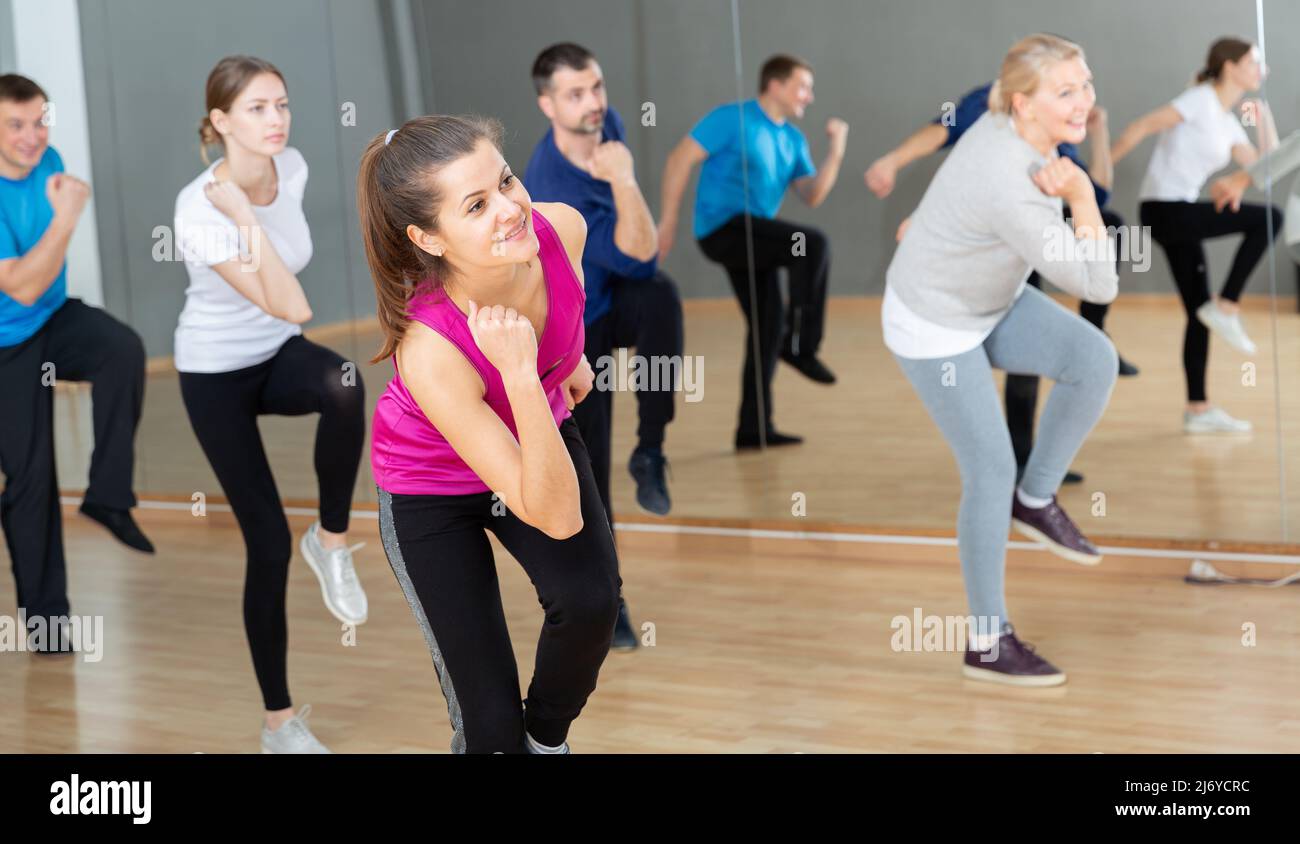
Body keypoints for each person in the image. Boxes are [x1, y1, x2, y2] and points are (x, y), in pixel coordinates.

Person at [361, 115, 620, 753]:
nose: (510, 209)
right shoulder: (429, 349)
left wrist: (568, 359)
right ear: (428, 238)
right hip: (430, 487)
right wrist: (520, 372)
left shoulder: (562, 228)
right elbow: (557, 517)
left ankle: (545, 743)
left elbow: (569, 306)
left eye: (505, 181)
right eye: (476, 206)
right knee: (489, 731)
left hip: (535, 431)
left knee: (590, 604)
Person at [884, 35, 1119, 685]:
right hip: (934, 325)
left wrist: (928, 219)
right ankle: (987, 642)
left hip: (987, 298)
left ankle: (1035, 499)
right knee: (990, 471)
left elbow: (966, 150)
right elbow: (1099, 286)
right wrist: (1082, 198)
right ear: (1023, 104)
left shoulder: (1003, 118)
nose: (1083, 100)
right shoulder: (1011, 183)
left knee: (1093, 360)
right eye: (1065, 91)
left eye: (1086, 83)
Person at [174, 56, 368, 752]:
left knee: (344, 382)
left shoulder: (296, 167)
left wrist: (250, 212)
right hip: (214, 372)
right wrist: (239, 212)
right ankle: (278, 724)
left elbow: (287, 313)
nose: (276, 119)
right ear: (221, 121)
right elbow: (292, 303)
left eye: (281, 104)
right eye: (257, 108)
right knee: (268, 544)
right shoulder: (197, 208)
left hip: (276, 353)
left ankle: (333, 542)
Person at [0, 73, 151, 655]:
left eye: (40, 121)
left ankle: (107, 496)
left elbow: (40, 285)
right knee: (31, 477)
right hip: (5, 342)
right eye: (16, 125)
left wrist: (62, 215)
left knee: (121, 349)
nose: (33, 136)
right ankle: (46, 626)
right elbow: (20, 285)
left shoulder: (50, 159)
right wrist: (67, 216)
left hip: (51, 318)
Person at [660, 54, 847, 448]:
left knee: (767, 326)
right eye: (802, 86)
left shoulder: (793, 139)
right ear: (775, 85)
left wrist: (837, 150)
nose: (809, 96)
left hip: (756, 238)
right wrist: (668, 223)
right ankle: (801, 346)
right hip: (723, 229)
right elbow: (679, 159)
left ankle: (753, 428)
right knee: (811, 245)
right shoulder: (731, 118)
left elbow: (812, 195)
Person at [1112, 37, 1282, 433]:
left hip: (1179, 211)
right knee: (1268, 219)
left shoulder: (1228, 122)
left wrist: (1264, 117)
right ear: (1230, 67)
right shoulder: (1199, 100)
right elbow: (1141, 127)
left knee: (1198, 312)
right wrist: (1092, 176)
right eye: (1254, 62)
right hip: (1165, 210)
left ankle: (1198, 409)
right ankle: (1228, 306)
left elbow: (1266, 170)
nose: (1262, 70)